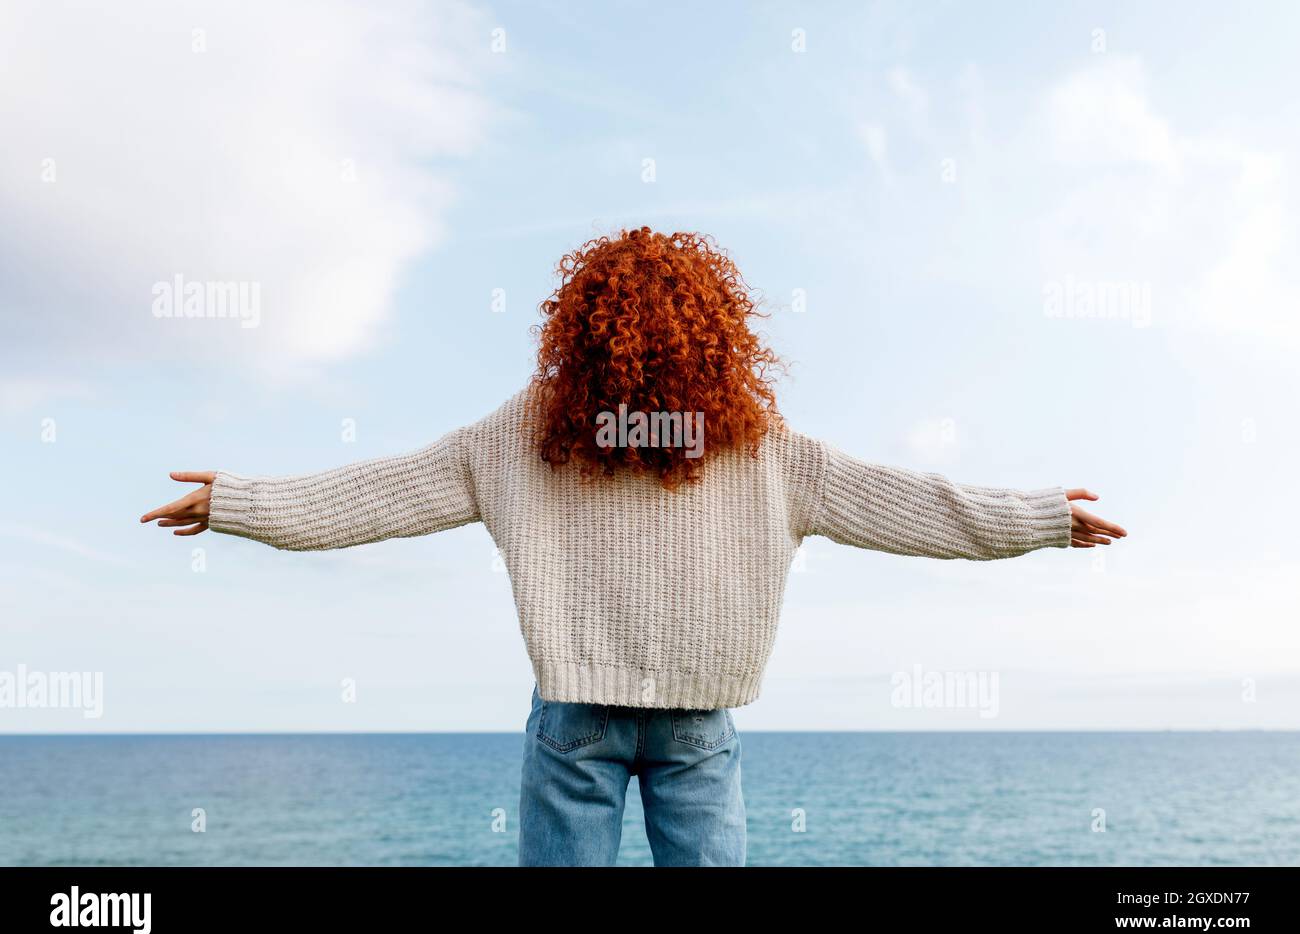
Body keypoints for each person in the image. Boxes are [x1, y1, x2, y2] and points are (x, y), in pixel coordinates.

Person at [141, 226, 1127, 866]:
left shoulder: (525, 432)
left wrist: (235, 502)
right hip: (698, 717)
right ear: (716, 334)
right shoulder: (759, 444)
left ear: (582, 330)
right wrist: (1036, 517)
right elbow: (904, 504)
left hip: (575, 713)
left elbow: (375, 492)